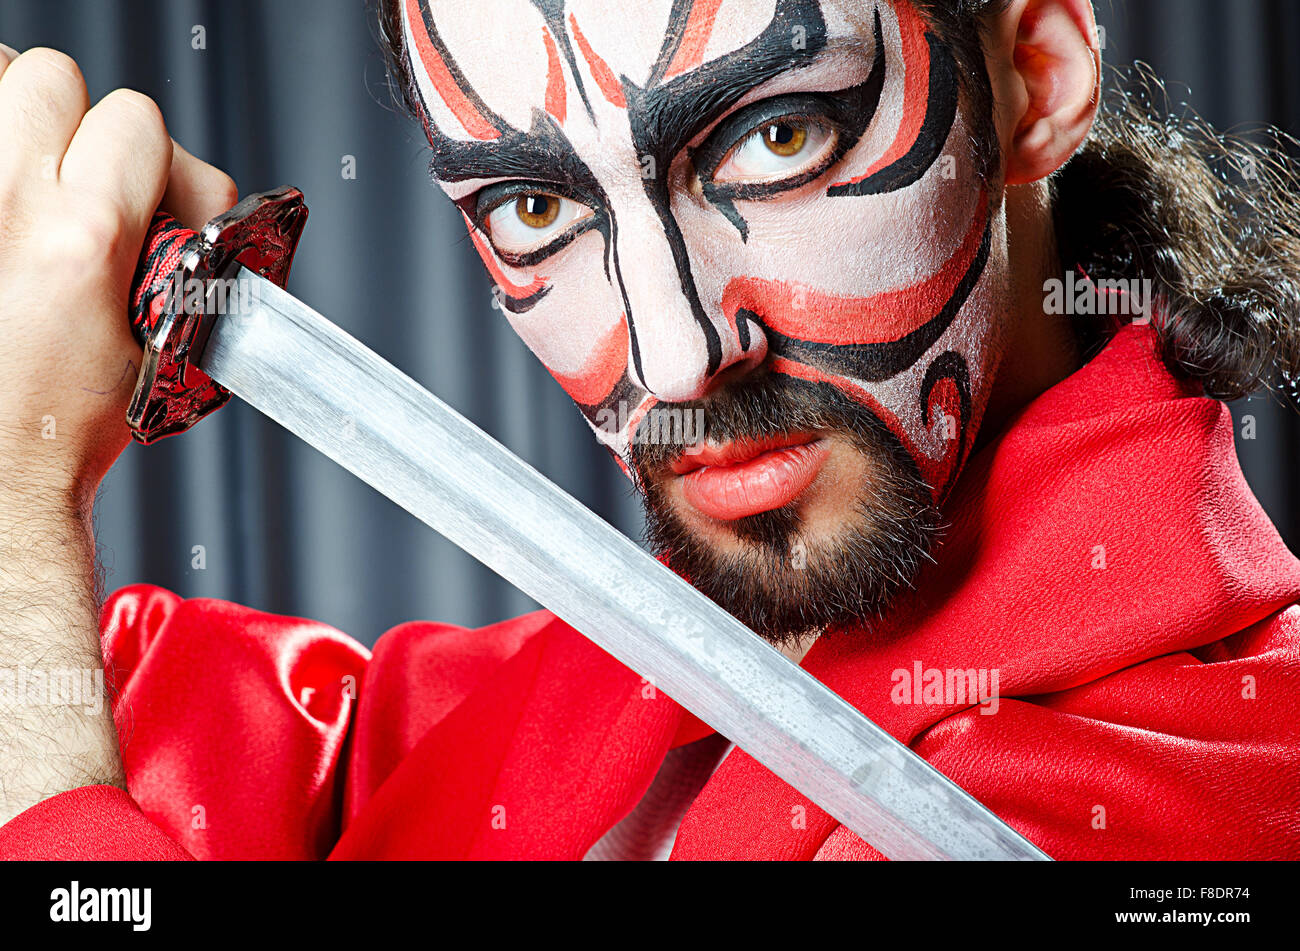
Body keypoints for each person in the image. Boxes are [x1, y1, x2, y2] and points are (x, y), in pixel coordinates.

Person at [2, 0, 1299, 860]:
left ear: (1036, 78)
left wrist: (17, 512)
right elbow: (245, 743)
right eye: (531, 207)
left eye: (776, 137)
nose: (676, 354)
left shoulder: (1219, 788)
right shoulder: (581, 695)